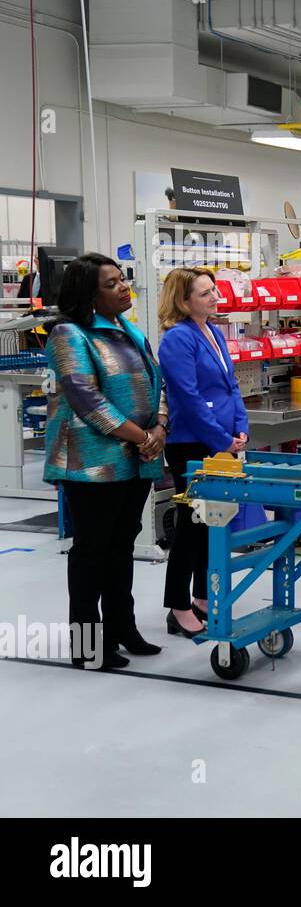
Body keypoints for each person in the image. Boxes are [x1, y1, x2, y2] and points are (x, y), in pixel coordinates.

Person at [44, 254, 167, 669]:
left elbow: (157, 381)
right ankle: (86, 643)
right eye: (112, 283)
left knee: (121, 546)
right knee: (91, 551)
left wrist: (160, 427)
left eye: (122, 279)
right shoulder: (69, 335)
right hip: (92, 462)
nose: (123, 287)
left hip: (136, 460)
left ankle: (122, 628)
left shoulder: (128, 329)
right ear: (89, 295)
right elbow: (85, 398)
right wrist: (142, 436)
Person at [157, 268, 248, 638]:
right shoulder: (177, 340)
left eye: (213, 290)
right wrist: (220, 439)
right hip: (193, 444)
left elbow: (231, 385)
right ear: (184, 300)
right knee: (190, 527)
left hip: (221, 440)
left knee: (213, 523)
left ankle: (202, 598)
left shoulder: (212, 332)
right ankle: (177, 606)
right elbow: (188, 398)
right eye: (205, 293)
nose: (214, 297)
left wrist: (240, 427)